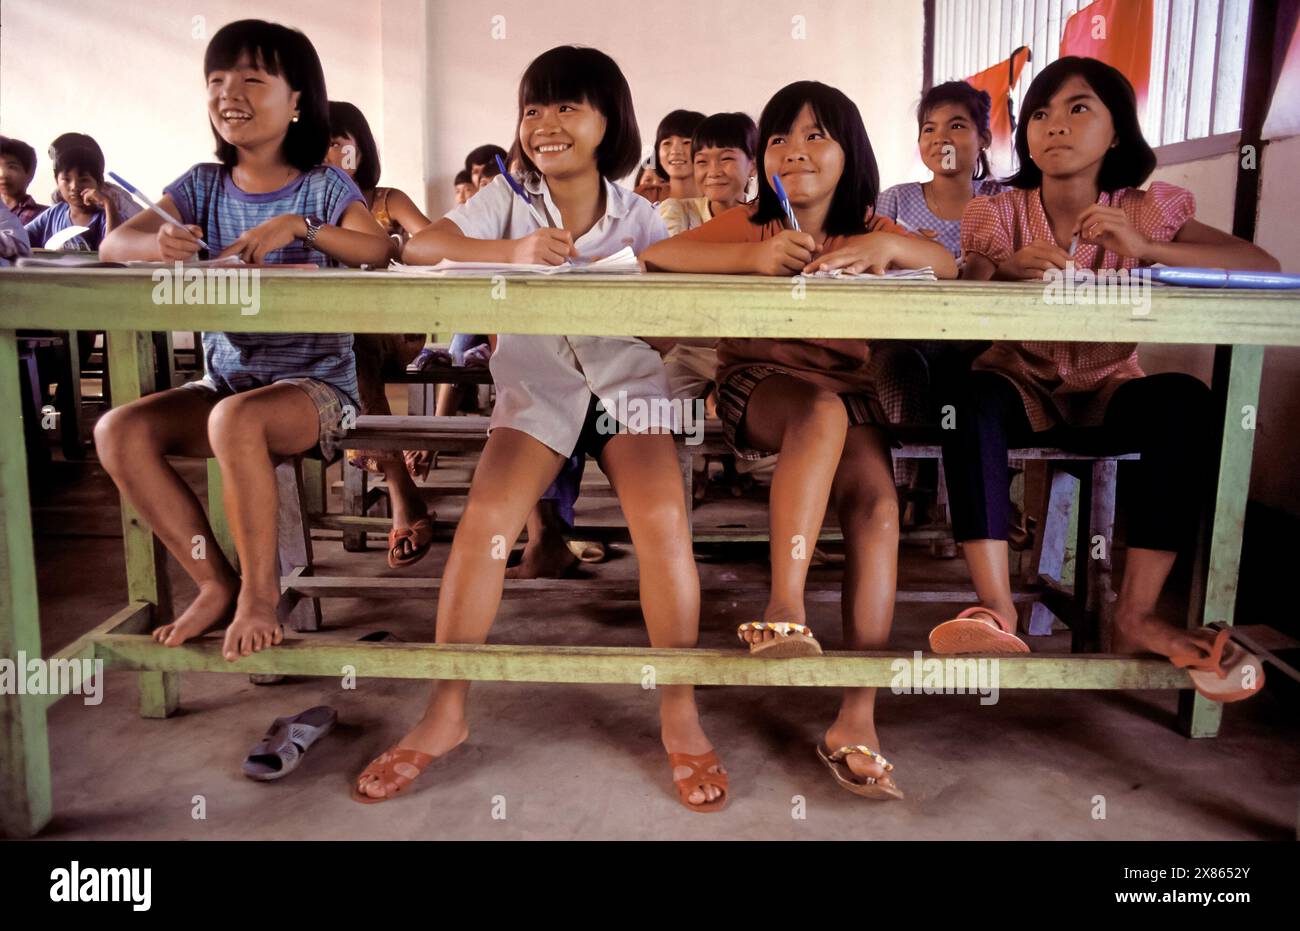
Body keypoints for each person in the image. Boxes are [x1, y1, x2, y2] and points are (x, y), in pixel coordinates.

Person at [936, 57, 1273, 707]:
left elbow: (1259, 262)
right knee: (969, 399)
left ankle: (1136, 614)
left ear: (1117, 132)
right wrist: (1002, 273)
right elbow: (960, 292)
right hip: (1020, 383)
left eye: (1078, 108)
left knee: (1183, 402)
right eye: (1040, 113)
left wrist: (1148, 250)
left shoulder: (1146, 209)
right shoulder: (998, 211)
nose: (1055, 125)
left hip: (1108, 387)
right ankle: (996, 609)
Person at [96, 19, 394, 661]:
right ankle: (215, 583)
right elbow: (113, 243)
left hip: (318, 393)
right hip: (226, 384)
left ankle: (260, 595)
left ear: (296, 101)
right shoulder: (201, 185)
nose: (229, 92)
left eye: (252, 80)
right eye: (217, 79)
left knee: (235, 420)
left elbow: (376, 249)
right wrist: (158, 243)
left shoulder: (322, 185)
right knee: (118, 431)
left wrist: (301, 227)